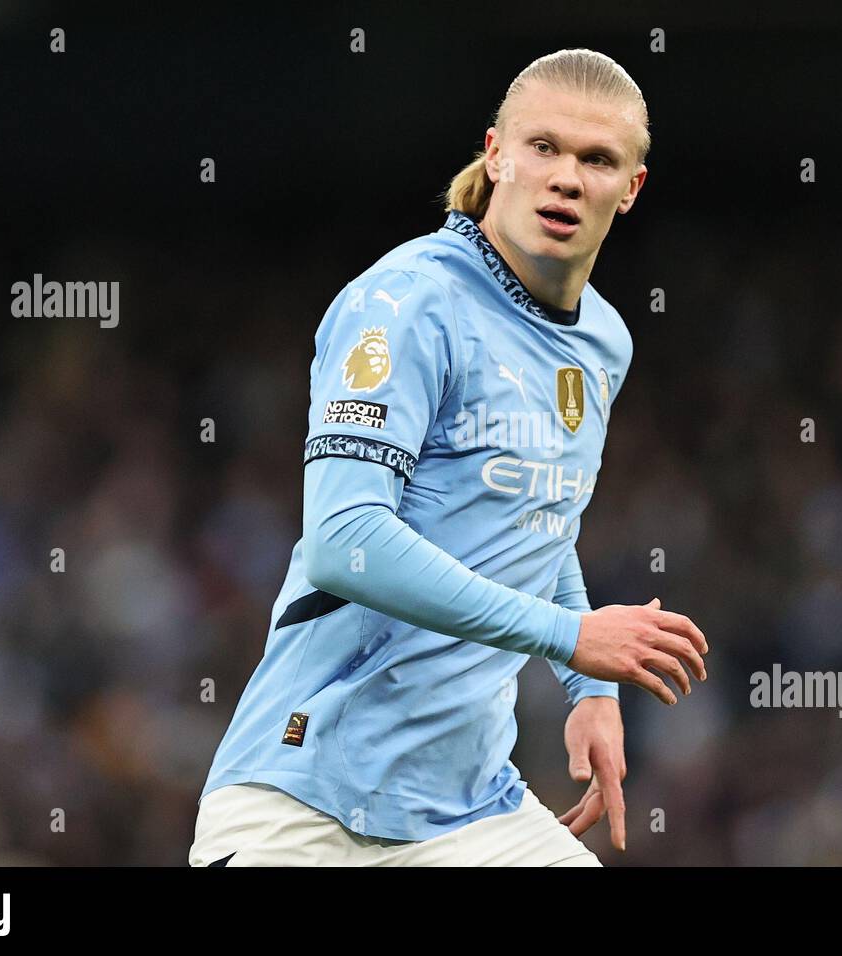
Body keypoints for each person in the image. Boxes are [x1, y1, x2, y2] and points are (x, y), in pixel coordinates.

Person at [189, 47, 707, 867]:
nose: (567, 177)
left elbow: (537, 519)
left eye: (597, 159)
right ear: (496, 153)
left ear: (630, 188)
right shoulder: (405, 304)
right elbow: (345, 537)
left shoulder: (604, 343)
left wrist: (590, 690)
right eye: (544, 148)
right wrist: (570, 638)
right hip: (307, 801)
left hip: (467, 813)